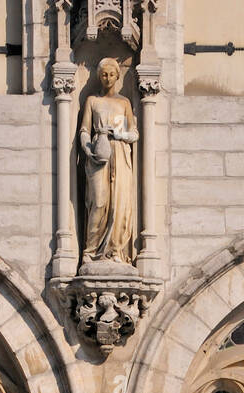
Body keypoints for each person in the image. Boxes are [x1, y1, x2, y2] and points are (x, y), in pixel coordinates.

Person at [79, 56, 139, 266]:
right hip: (98, 155)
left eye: (111, 74)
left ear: (117, 76)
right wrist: (88, 150)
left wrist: (120, 135)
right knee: (99, 201)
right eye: (104, 74)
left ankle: (116, 250)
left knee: (119, 203)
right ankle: (90, 250)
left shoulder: (124, 102)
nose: (107, 78)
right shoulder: (92, 101)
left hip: (120, 154)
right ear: (99, 76)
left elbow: (134, 134)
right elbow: (85, 130)